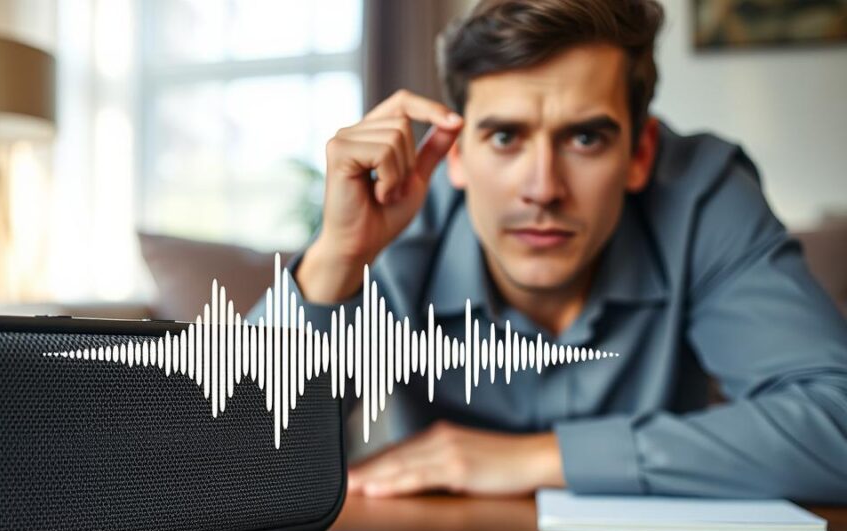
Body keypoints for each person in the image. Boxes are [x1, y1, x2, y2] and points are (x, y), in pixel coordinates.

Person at [248, 0, 847, 502]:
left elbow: (835, 423)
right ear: (455, 153)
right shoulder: (397, 223)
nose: (542, 189)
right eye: (505, 137)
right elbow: (231, 463)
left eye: (585, 138)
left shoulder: (701, 197)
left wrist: (539, 459)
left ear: (640, 154)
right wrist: (339, 256)